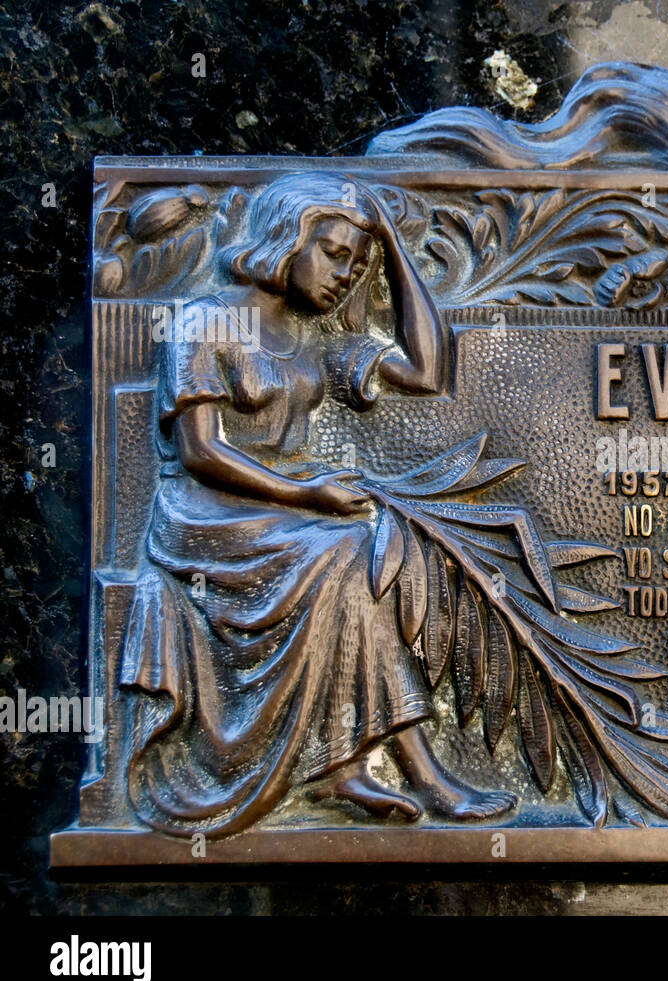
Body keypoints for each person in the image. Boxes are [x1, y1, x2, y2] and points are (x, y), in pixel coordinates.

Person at [119, 173, 515, 837]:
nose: (345, 275)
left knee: (364, 548)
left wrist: (390, 243)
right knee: (346, 548)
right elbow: (200, 451)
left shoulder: (316, 341)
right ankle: (408, 770)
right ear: (286, 236)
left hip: (285, 516)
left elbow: (428, 370)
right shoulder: (204, 321)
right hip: (202, 516)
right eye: (335, 253)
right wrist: (306, 492)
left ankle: (359, 764)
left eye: (357, 265)